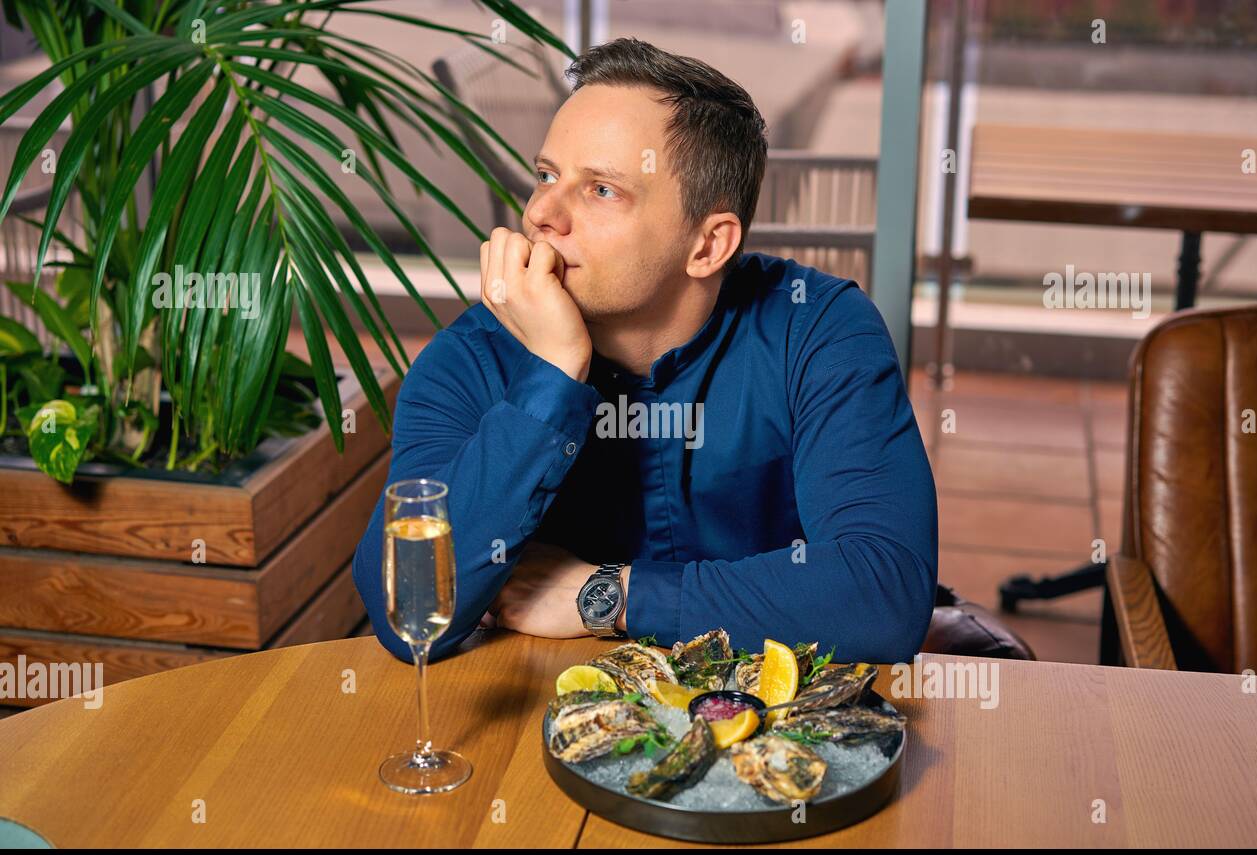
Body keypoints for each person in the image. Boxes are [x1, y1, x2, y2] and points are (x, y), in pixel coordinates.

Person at [352, 37, 937, 665]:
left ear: (708, 246)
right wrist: (551, 376)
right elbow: (406, 609)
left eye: (601, 190)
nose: (542, 214)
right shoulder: (470, 359)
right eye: (546, 176)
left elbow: (884, 598)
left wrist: (606, 595)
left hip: (781, 734)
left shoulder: (817, 328)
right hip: (550, 732)